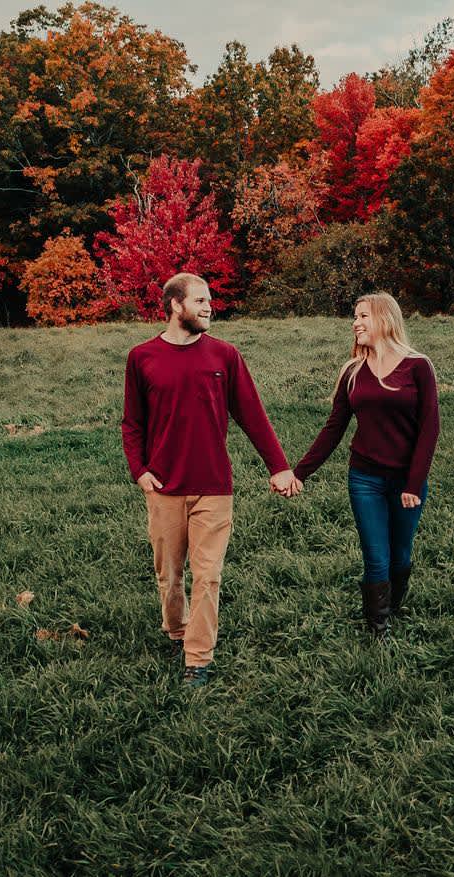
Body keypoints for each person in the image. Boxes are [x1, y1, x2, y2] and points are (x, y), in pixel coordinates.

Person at [122, 273, 302, 687]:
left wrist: (279, 466)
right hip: (164, 486)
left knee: (208, 575)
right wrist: (140, 471)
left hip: (214, 487)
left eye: (209, 300)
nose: (208, 307)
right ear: (174, 305)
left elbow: (252, 415)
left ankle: (198, 659)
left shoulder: (224, 356)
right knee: (169, 575)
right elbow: (132, 423)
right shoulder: (142, 357)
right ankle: (177, 631)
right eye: (200, 300)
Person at [286, 292, 439, 640]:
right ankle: (378, 630)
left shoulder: (418, 366)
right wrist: (299, 473)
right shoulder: (352, 372)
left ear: (385, 319)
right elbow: (333, 428)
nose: (355, 323)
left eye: (363, 316)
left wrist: (414, 484)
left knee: (400, 554)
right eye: (355, 317)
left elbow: (429, 429)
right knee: (376, 556)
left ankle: (394, 606)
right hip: (365, 478)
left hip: (406, 481)